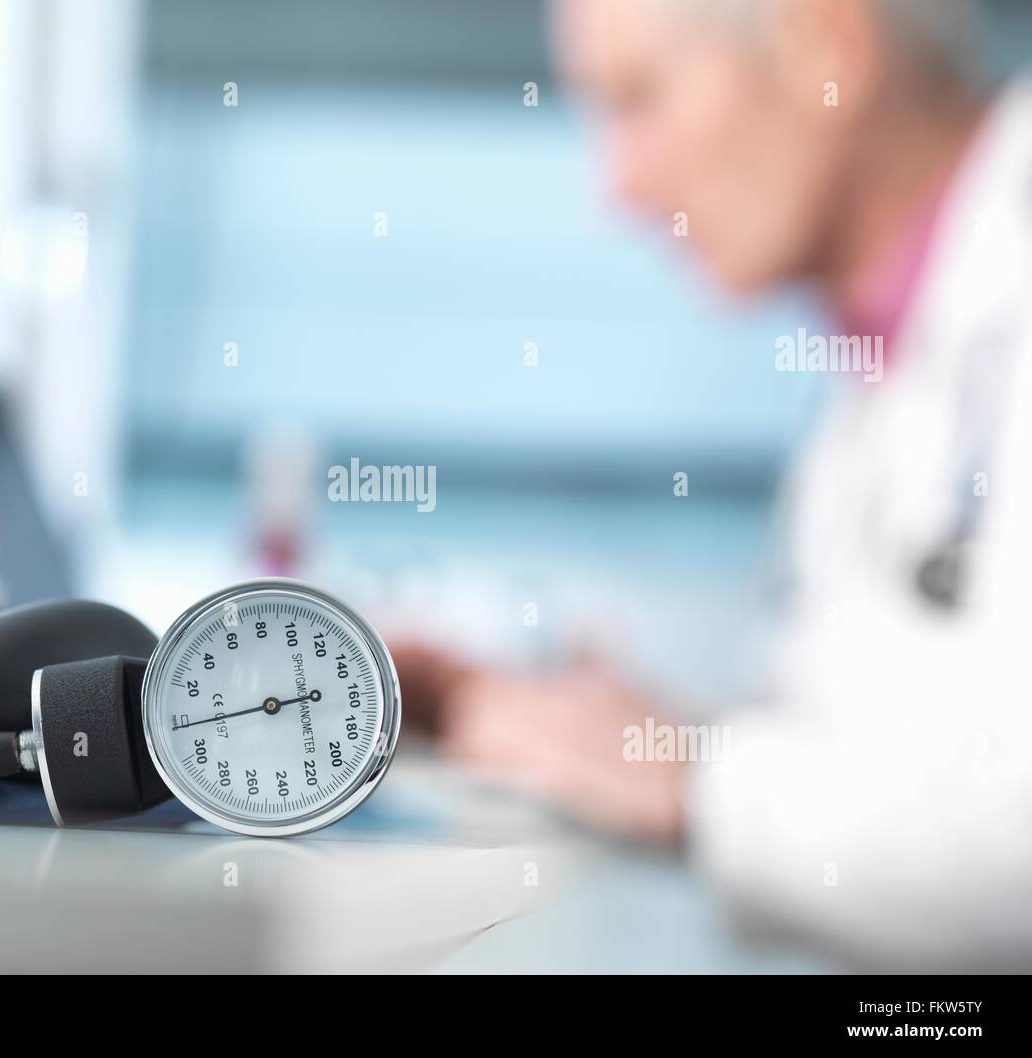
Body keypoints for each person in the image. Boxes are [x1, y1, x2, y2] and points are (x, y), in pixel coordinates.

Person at [396, 0, 1032, 967]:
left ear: (829, 46)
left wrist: (690, 778)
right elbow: (896, 748)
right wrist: (606, 736)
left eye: (640, 98)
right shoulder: (886, 359)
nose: (618, 188)